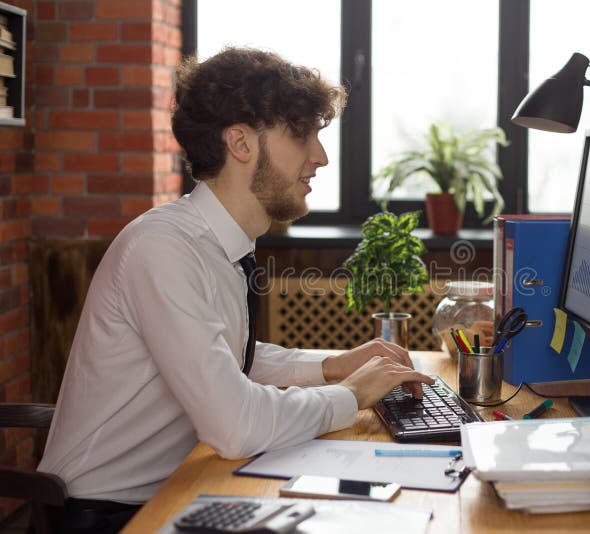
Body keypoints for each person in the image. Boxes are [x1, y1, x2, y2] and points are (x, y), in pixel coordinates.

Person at [37, 47, 433, 532]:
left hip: (180, 485)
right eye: (301, 134)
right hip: (107, 515)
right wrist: (351, 394)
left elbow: (221, 354)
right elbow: (235, 425)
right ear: (240, 144)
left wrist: (330, 366)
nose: (321, 157)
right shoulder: (163, 248)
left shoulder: (213, 241)